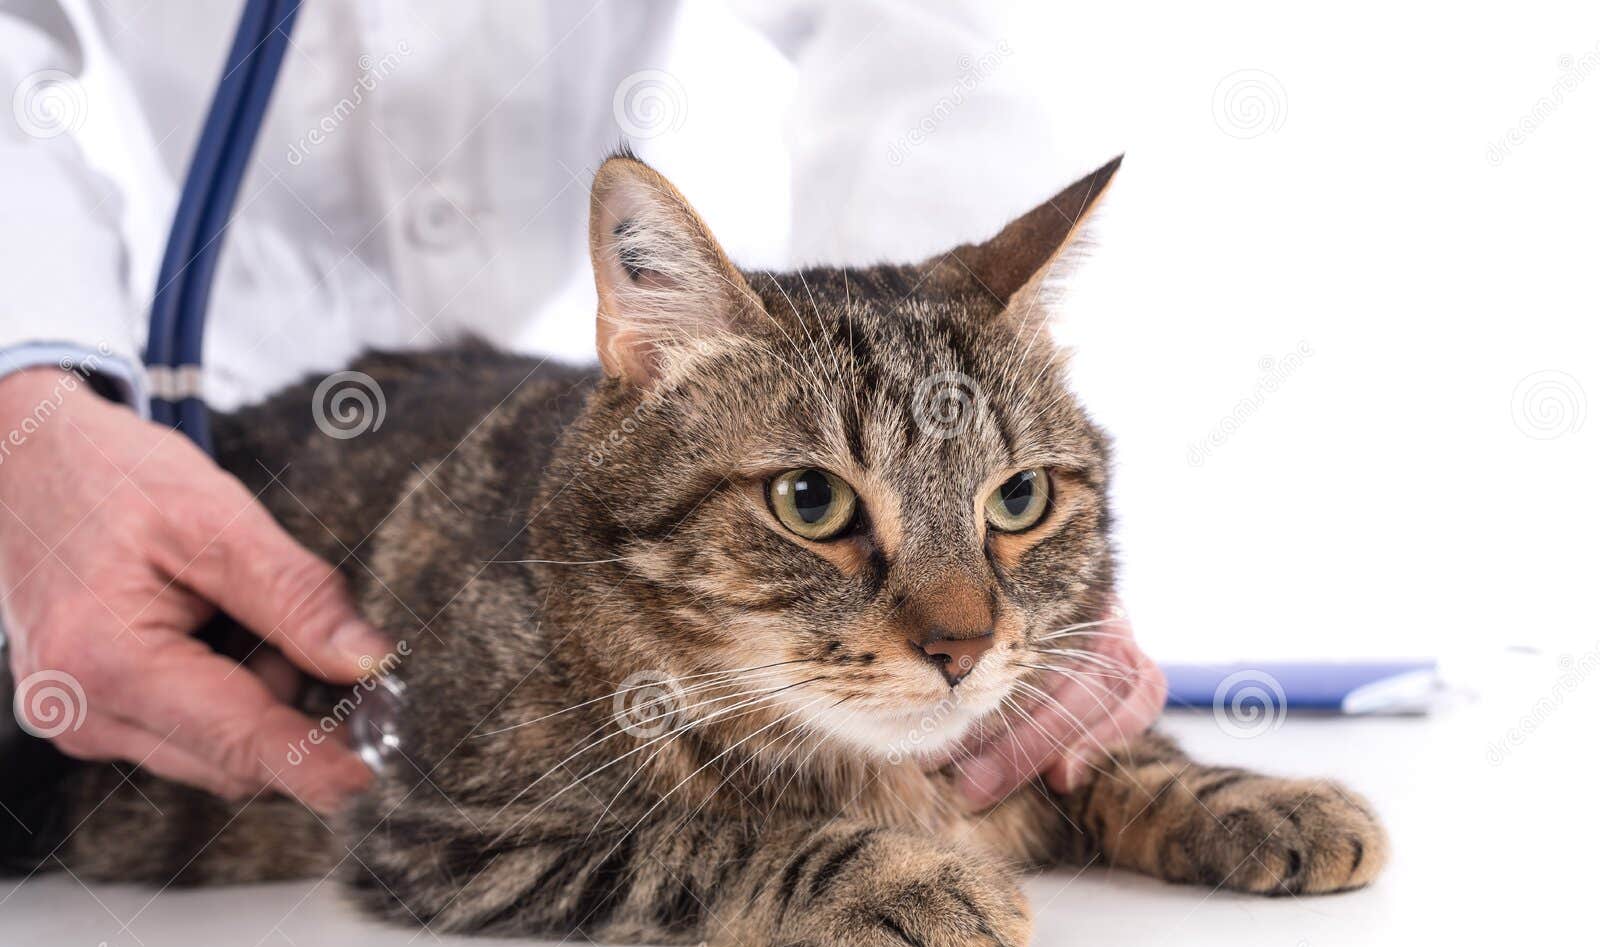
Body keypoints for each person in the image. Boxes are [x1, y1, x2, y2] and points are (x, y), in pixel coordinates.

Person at [0, 0, 1163, 815]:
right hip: (191, 428)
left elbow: (909, 24)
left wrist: (928, 407)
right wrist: (23, 413)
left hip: (664, 408)